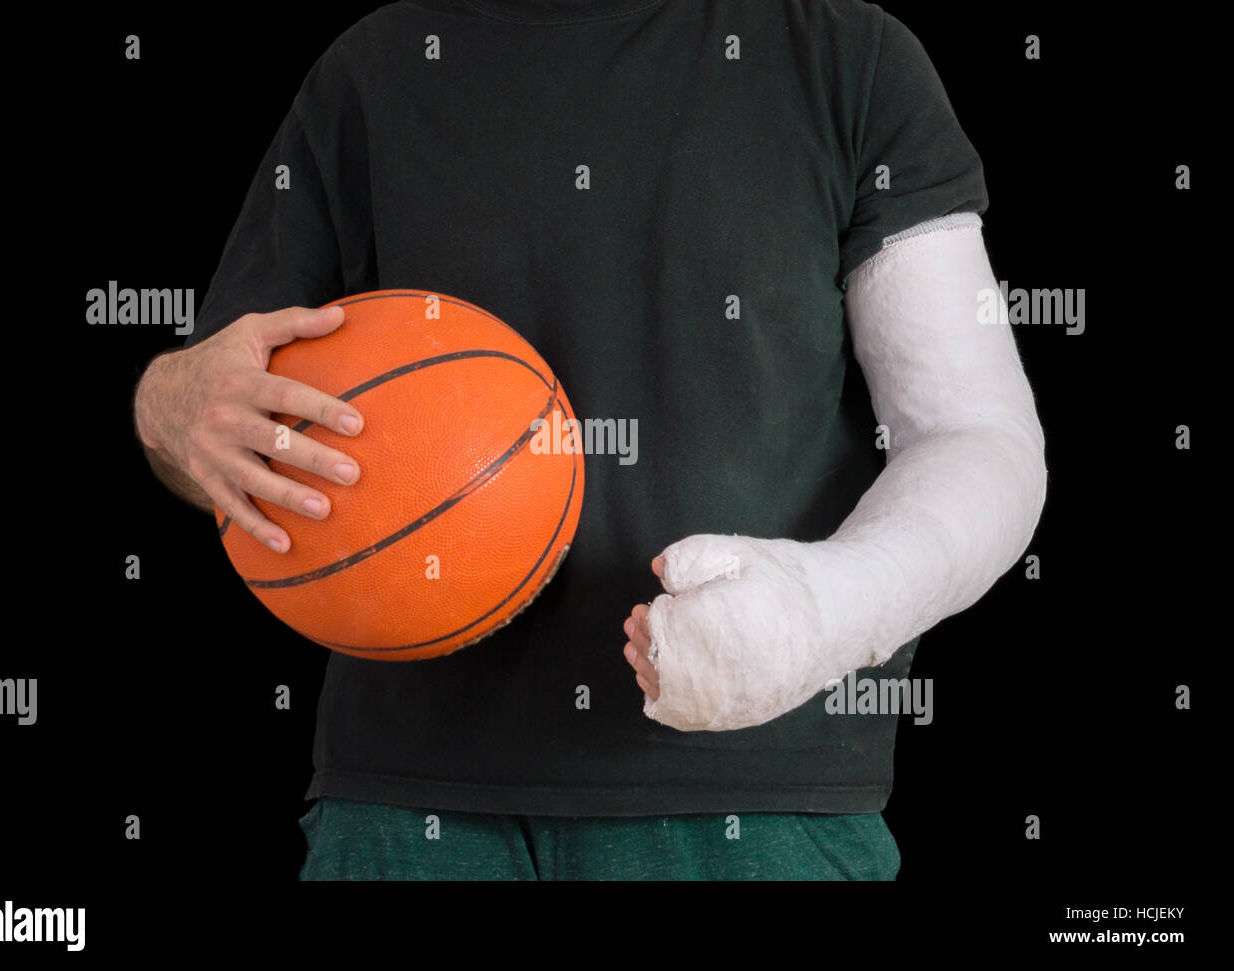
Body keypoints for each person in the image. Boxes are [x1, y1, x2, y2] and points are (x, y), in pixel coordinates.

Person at [133, 0, 1046, 880]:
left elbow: (974, 436)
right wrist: (167, 405)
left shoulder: (850, 54)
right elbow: (216, 418)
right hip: (403, 806)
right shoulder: (373, 67)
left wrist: (818, 616)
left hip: (757, 804)